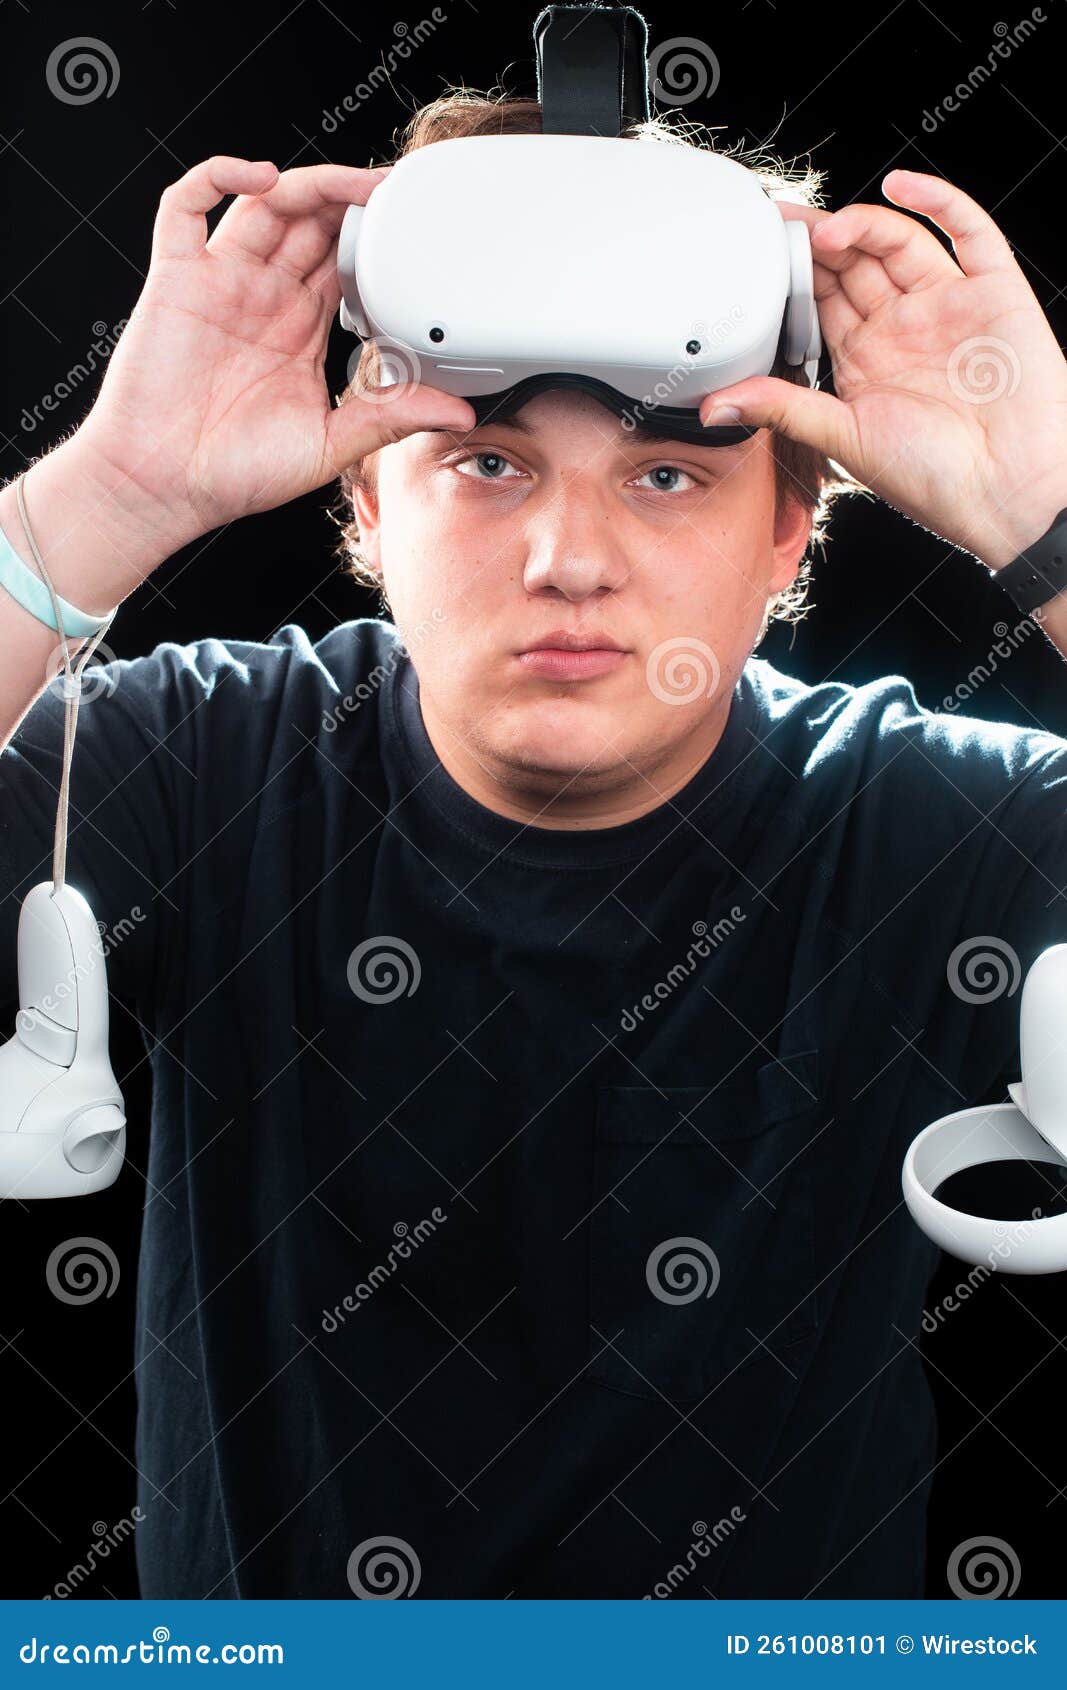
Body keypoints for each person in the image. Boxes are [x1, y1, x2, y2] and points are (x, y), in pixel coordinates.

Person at [2, 90, 1066, 1601]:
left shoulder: (931, 822)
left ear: (786, 531)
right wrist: (102, 499)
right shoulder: (188, 764)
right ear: (366, 493)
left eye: (667, 475)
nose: (571, 560)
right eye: (489, 463)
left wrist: (1053, 515)